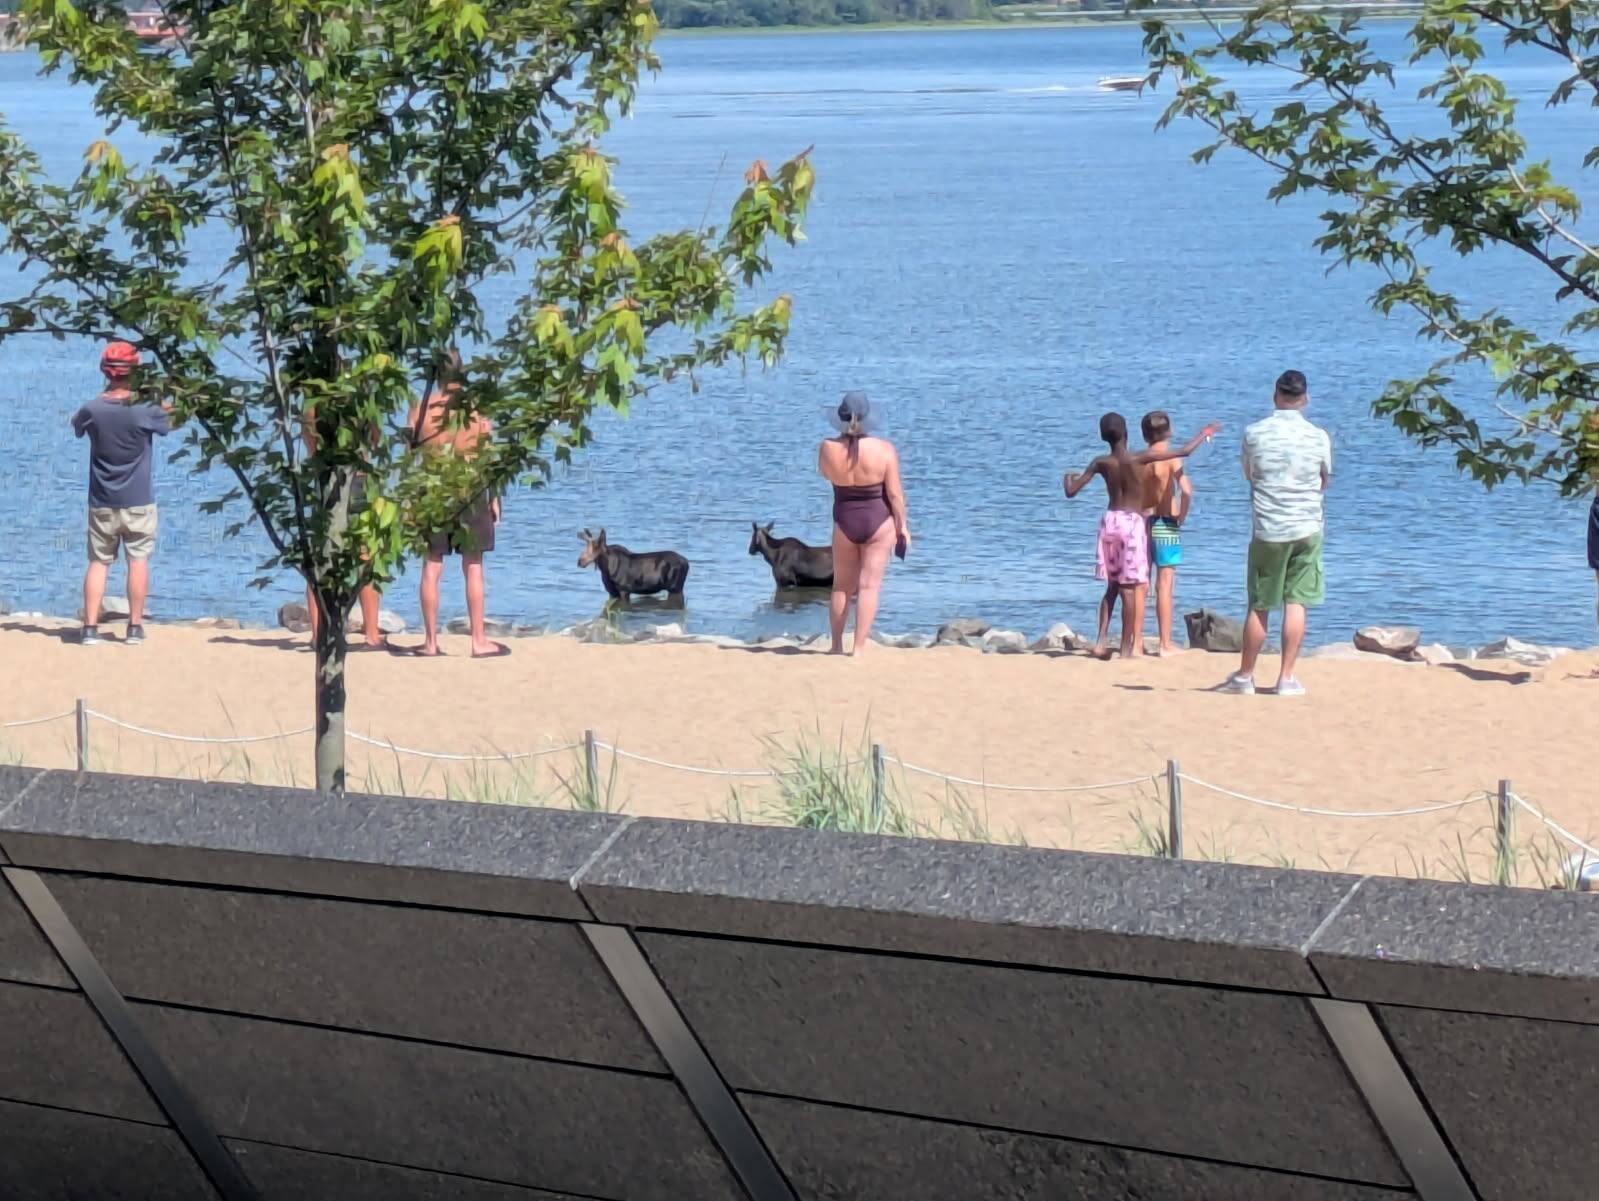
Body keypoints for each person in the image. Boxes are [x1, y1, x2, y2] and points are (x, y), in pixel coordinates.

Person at [1064, 413, 1219, 659]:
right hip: (1145, 523)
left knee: (1121, 586)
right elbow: (1186, 467)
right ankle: (1145, 646)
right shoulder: (1141, 458)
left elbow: (1072, 490)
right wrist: (1205, 433)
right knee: (1145, 586)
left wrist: (1067, 478)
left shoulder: (1110, 461)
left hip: (1123, 521)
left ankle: (1116, 642)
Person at [1221, 369, 1333, 697]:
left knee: (1260, 604)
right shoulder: (1318, 436)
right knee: (1296, 602)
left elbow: (1249, 474)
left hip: (1268, 528)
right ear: (1305, 399)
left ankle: (1245, 676)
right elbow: (1324, 479)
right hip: (1307, 527)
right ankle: (1286, 677)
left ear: (1275, 397)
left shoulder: (1254, 433)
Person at [404, 350, 506, 658]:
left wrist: (409, 501)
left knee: (432, 564)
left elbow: (410, 460)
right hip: (470, 488)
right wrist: (495, 497)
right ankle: (478, 640)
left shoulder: (420, 410)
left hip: (432, 489)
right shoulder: (477, 410)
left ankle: (431, 641)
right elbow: (489, 455)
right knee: (473, 565)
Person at [71, 342, 174, 646]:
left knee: (98, 562)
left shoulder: (92, 409)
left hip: (101, 500)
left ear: (105, 371)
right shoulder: (145, 409)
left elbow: (77, 426)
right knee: (138, 560)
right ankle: (134, 627)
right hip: (139, 499)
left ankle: (89, 628)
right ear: (135, 371)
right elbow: (172, 421)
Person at [816, 391, 909, 656]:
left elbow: (825, 473)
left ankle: (835, 646)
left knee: (841, 586)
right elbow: (894, 495)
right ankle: (858, 649)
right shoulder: (884, 450)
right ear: (868, 419)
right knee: (869, 586)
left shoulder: (826, 448)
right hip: (879, 522)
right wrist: (902, 527)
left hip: (844, 519)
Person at [300, 409, 385, 651]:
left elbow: (310, 445)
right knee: (364, 555)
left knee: (320, 557)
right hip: (357, 479)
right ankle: (371, 634)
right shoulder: (358, 404)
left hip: (323, 480)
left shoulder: (312, 408)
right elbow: (375, 439)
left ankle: (318, 636)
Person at [1140, 410, 1194, 656]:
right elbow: (1187, 491)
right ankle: (1165, 643)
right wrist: (1181, 515)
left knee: (1140, 583)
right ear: (1169, 431)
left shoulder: (1140, 458)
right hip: (1166, 522)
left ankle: (1134, 641)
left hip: (1142, 521)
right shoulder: (1172, 458)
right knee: (1165, 585)